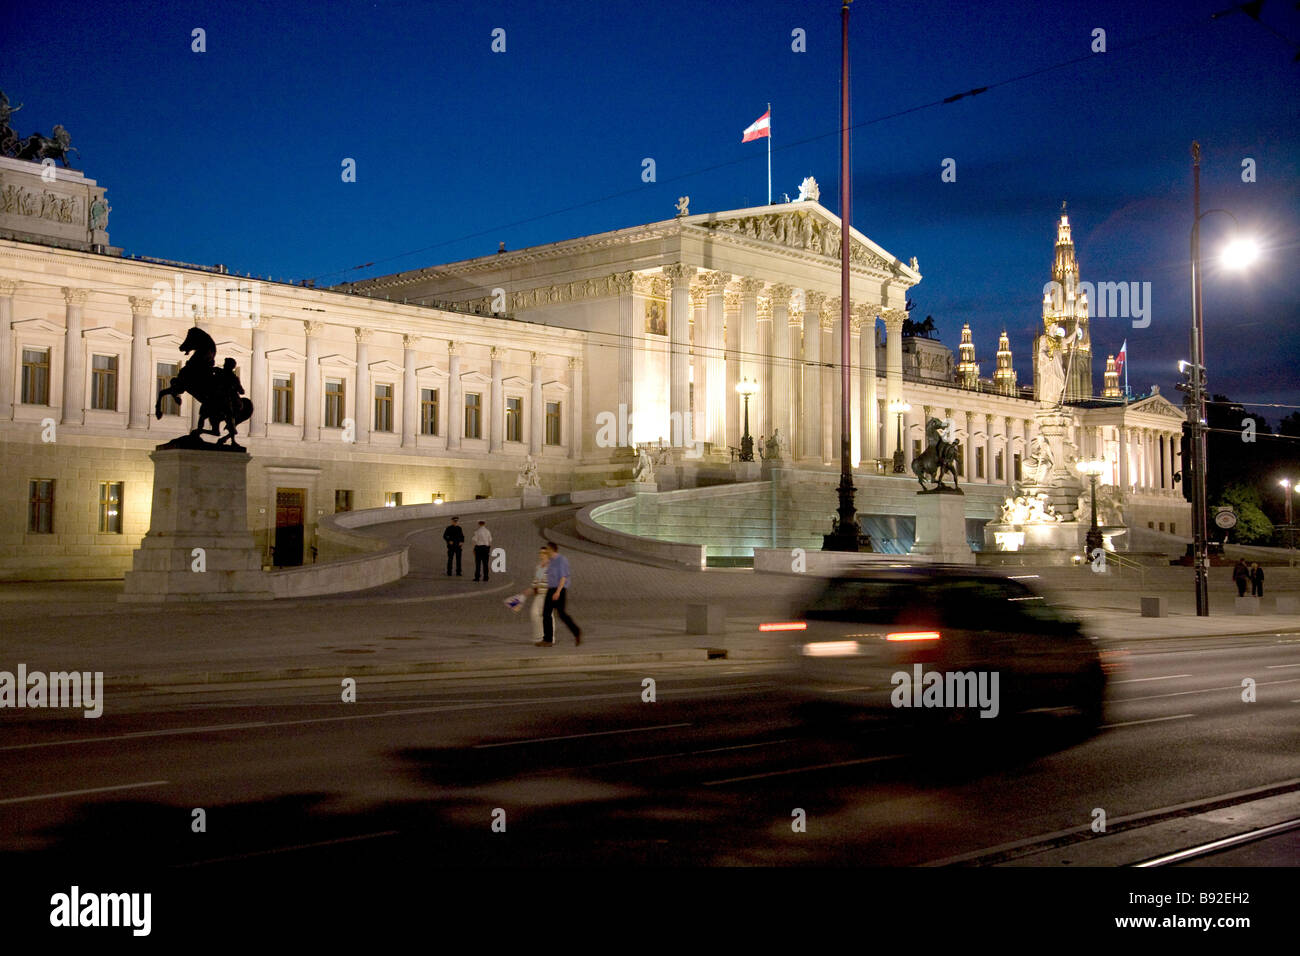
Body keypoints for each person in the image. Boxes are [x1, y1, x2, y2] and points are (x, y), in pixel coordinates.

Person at [538, 541, 581, 647]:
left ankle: (576, 631)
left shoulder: (561, 560)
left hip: (559, 589)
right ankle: (547, 639)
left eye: (547, 549)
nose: (546, 551)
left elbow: (563, 577)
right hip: (551, 589)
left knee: (561, 614)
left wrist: (558, 592)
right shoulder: (551, 561)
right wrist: (543, 564)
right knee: (546, 613)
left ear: (552, 549)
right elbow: (541, 574)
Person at [528, 547, 552, 642]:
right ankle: (538, 636)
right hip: (539, 595)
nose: (541, 555)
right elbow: (536, 580)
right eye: (540, 553)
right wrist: (532, 589)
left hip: (547, 595)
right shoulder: (540, 567)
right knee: (534, 614)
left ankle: (550, 637)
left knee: (548, 616)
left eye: (544, 553)